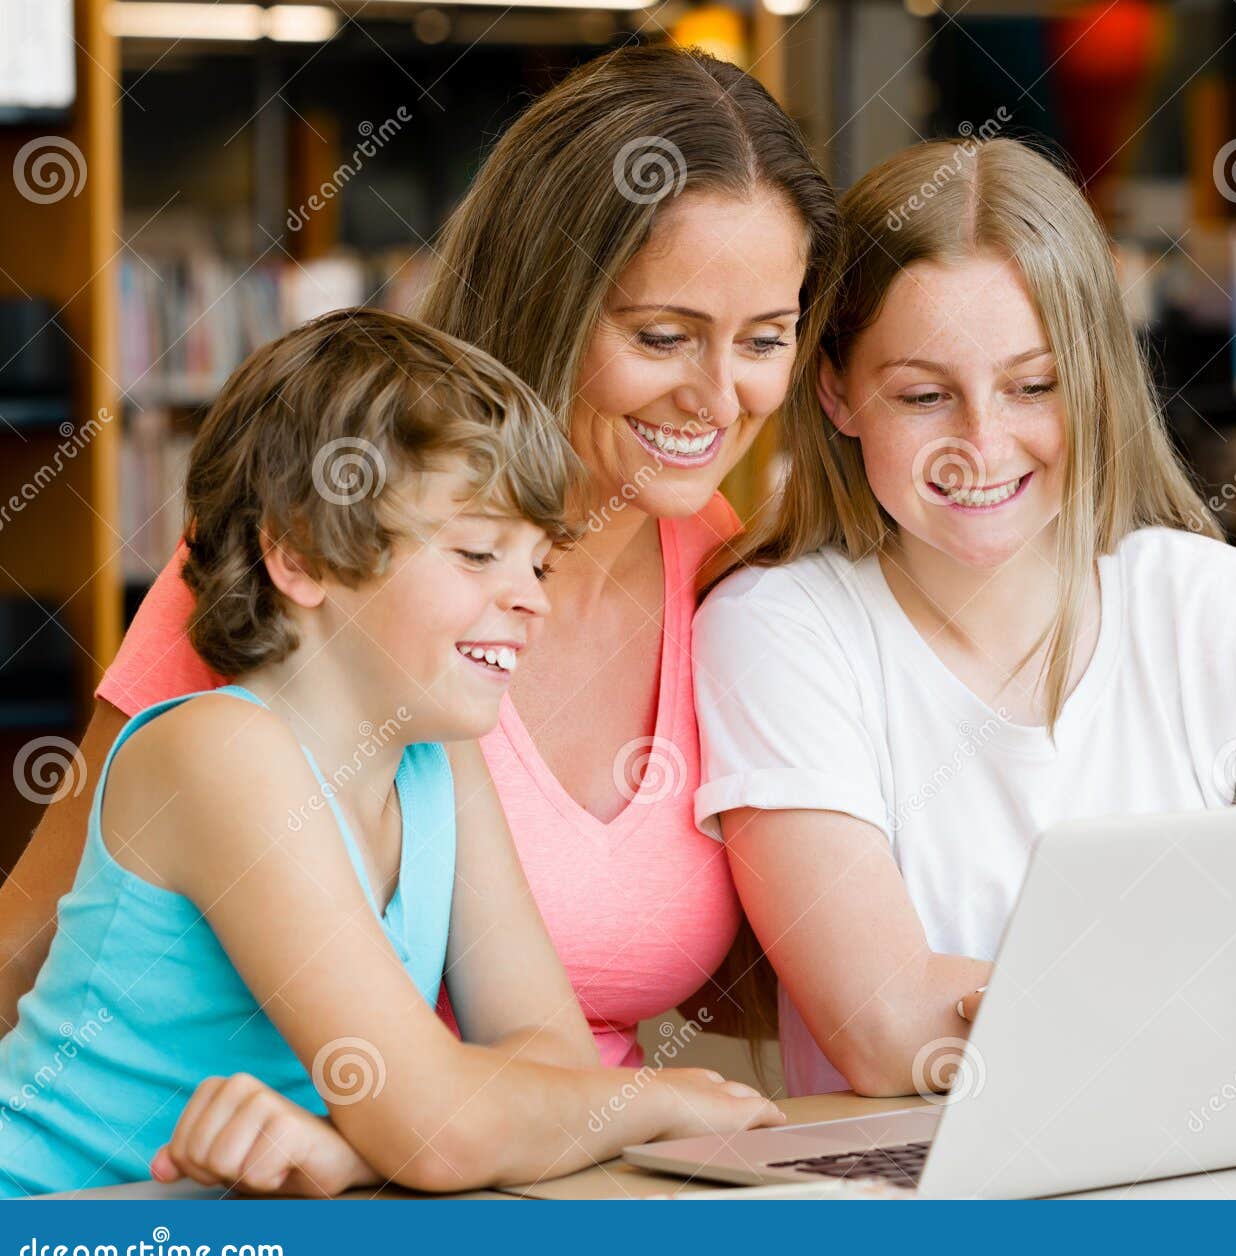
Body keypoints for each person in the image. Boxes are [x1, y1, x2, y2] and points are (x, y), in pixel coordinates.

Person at [0, 45, 839, 1067]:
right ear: (547, 298)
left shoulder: (740, 595)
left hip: (569, 1184)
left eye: (765, 340)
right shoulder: (320, 540)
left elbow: (785, 975)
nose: (719, 398)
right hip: (248, 1193)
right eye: (664, 336)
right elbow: (35, 943)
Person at [692, 138, 1236, 1099]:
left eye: (1034, 386)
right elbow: (889, 1028)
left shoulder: (1231, 611)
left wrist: (1105, 1022)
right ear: (836, 391)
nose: (984, 444)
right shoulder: (779, 631)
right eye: (923, 395)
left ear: (1097, 380)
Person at [0, 310, 781, 1199]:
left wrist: (357, 1147)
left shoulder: (438, 759)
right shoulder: (216, 752)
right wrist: (650, 1101)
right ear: (299, 556)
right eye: (480, 553)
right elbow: (453, 1127)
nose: (531, 602)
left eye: (538, 565)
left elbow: (552, 1060)